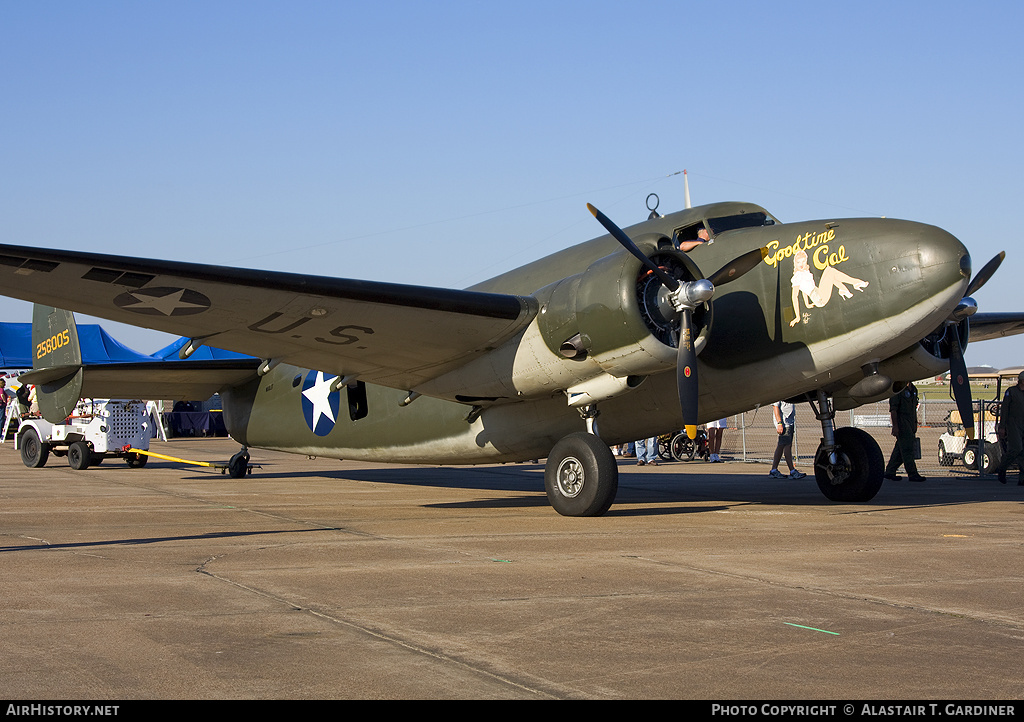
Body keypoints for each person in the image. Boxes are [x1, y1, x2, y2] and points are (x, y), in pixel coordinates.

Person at [884, 381, 925, 482]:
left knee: (899, 449)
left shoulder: (913, 389)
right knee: (907, 449)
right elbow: (893, 410)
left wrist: (915, 424)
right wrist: (895, 426)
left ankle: (890, 471)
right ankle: (912, 473)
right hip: (902, 422)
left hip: (910, 423)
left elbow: (914, 408)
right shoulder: (898, 389)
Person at [996, 371, 1024, 485]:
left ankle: (1022, 479)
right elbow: (1004, 410)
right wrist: (1002, 427)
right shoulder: (1011, 392)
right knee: (1016, 448)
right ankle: (1002, 468)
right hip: (1013, 425)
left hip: (1023, 424)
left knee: (1023, 452)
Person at [768, 401, 806, 479]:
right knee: (786, 446)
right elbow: (775, 407)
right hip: (784, 424)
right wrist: (779, 423)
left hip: (789, 422)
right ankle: (792, 471)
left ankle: (774, 470)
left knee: (781, 446)